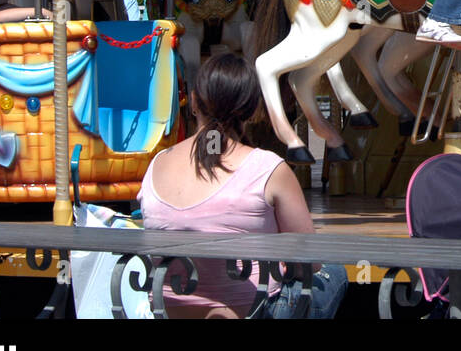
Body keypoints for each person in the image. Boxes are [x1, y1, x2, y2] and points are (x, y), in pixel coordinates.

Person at [138, 54, 348, 319]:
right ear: (251, 110)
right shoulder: (268, 168)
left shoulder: (157, 164)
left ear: (193, 101)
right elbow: (310, 263)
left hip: (169, 312)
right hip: (251, 312)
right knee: (335, 272)